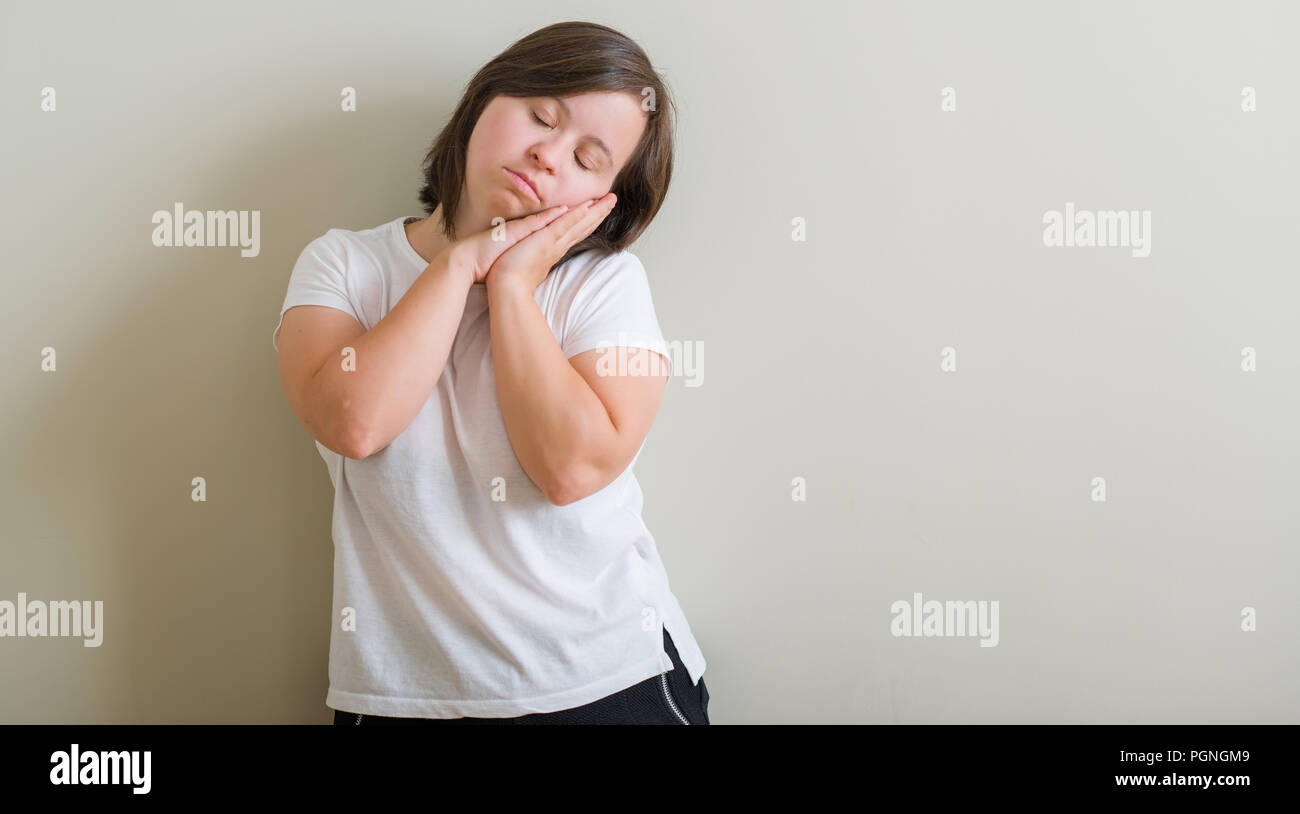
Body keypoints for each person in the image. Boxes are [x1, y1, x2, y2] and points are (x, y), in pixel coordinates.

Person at [273, 21, 709, 724]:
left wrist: (510, 288)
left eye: (588, 157)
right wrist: (459, 264)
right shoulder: (343, 265)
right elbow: (354, 421)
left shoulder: (604, 286)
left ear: (603, 203)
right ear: (482, 102)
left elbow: (568, 469)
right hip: (399, 694)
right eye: (542, 116)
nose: (547, 153)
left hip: (605, 682)